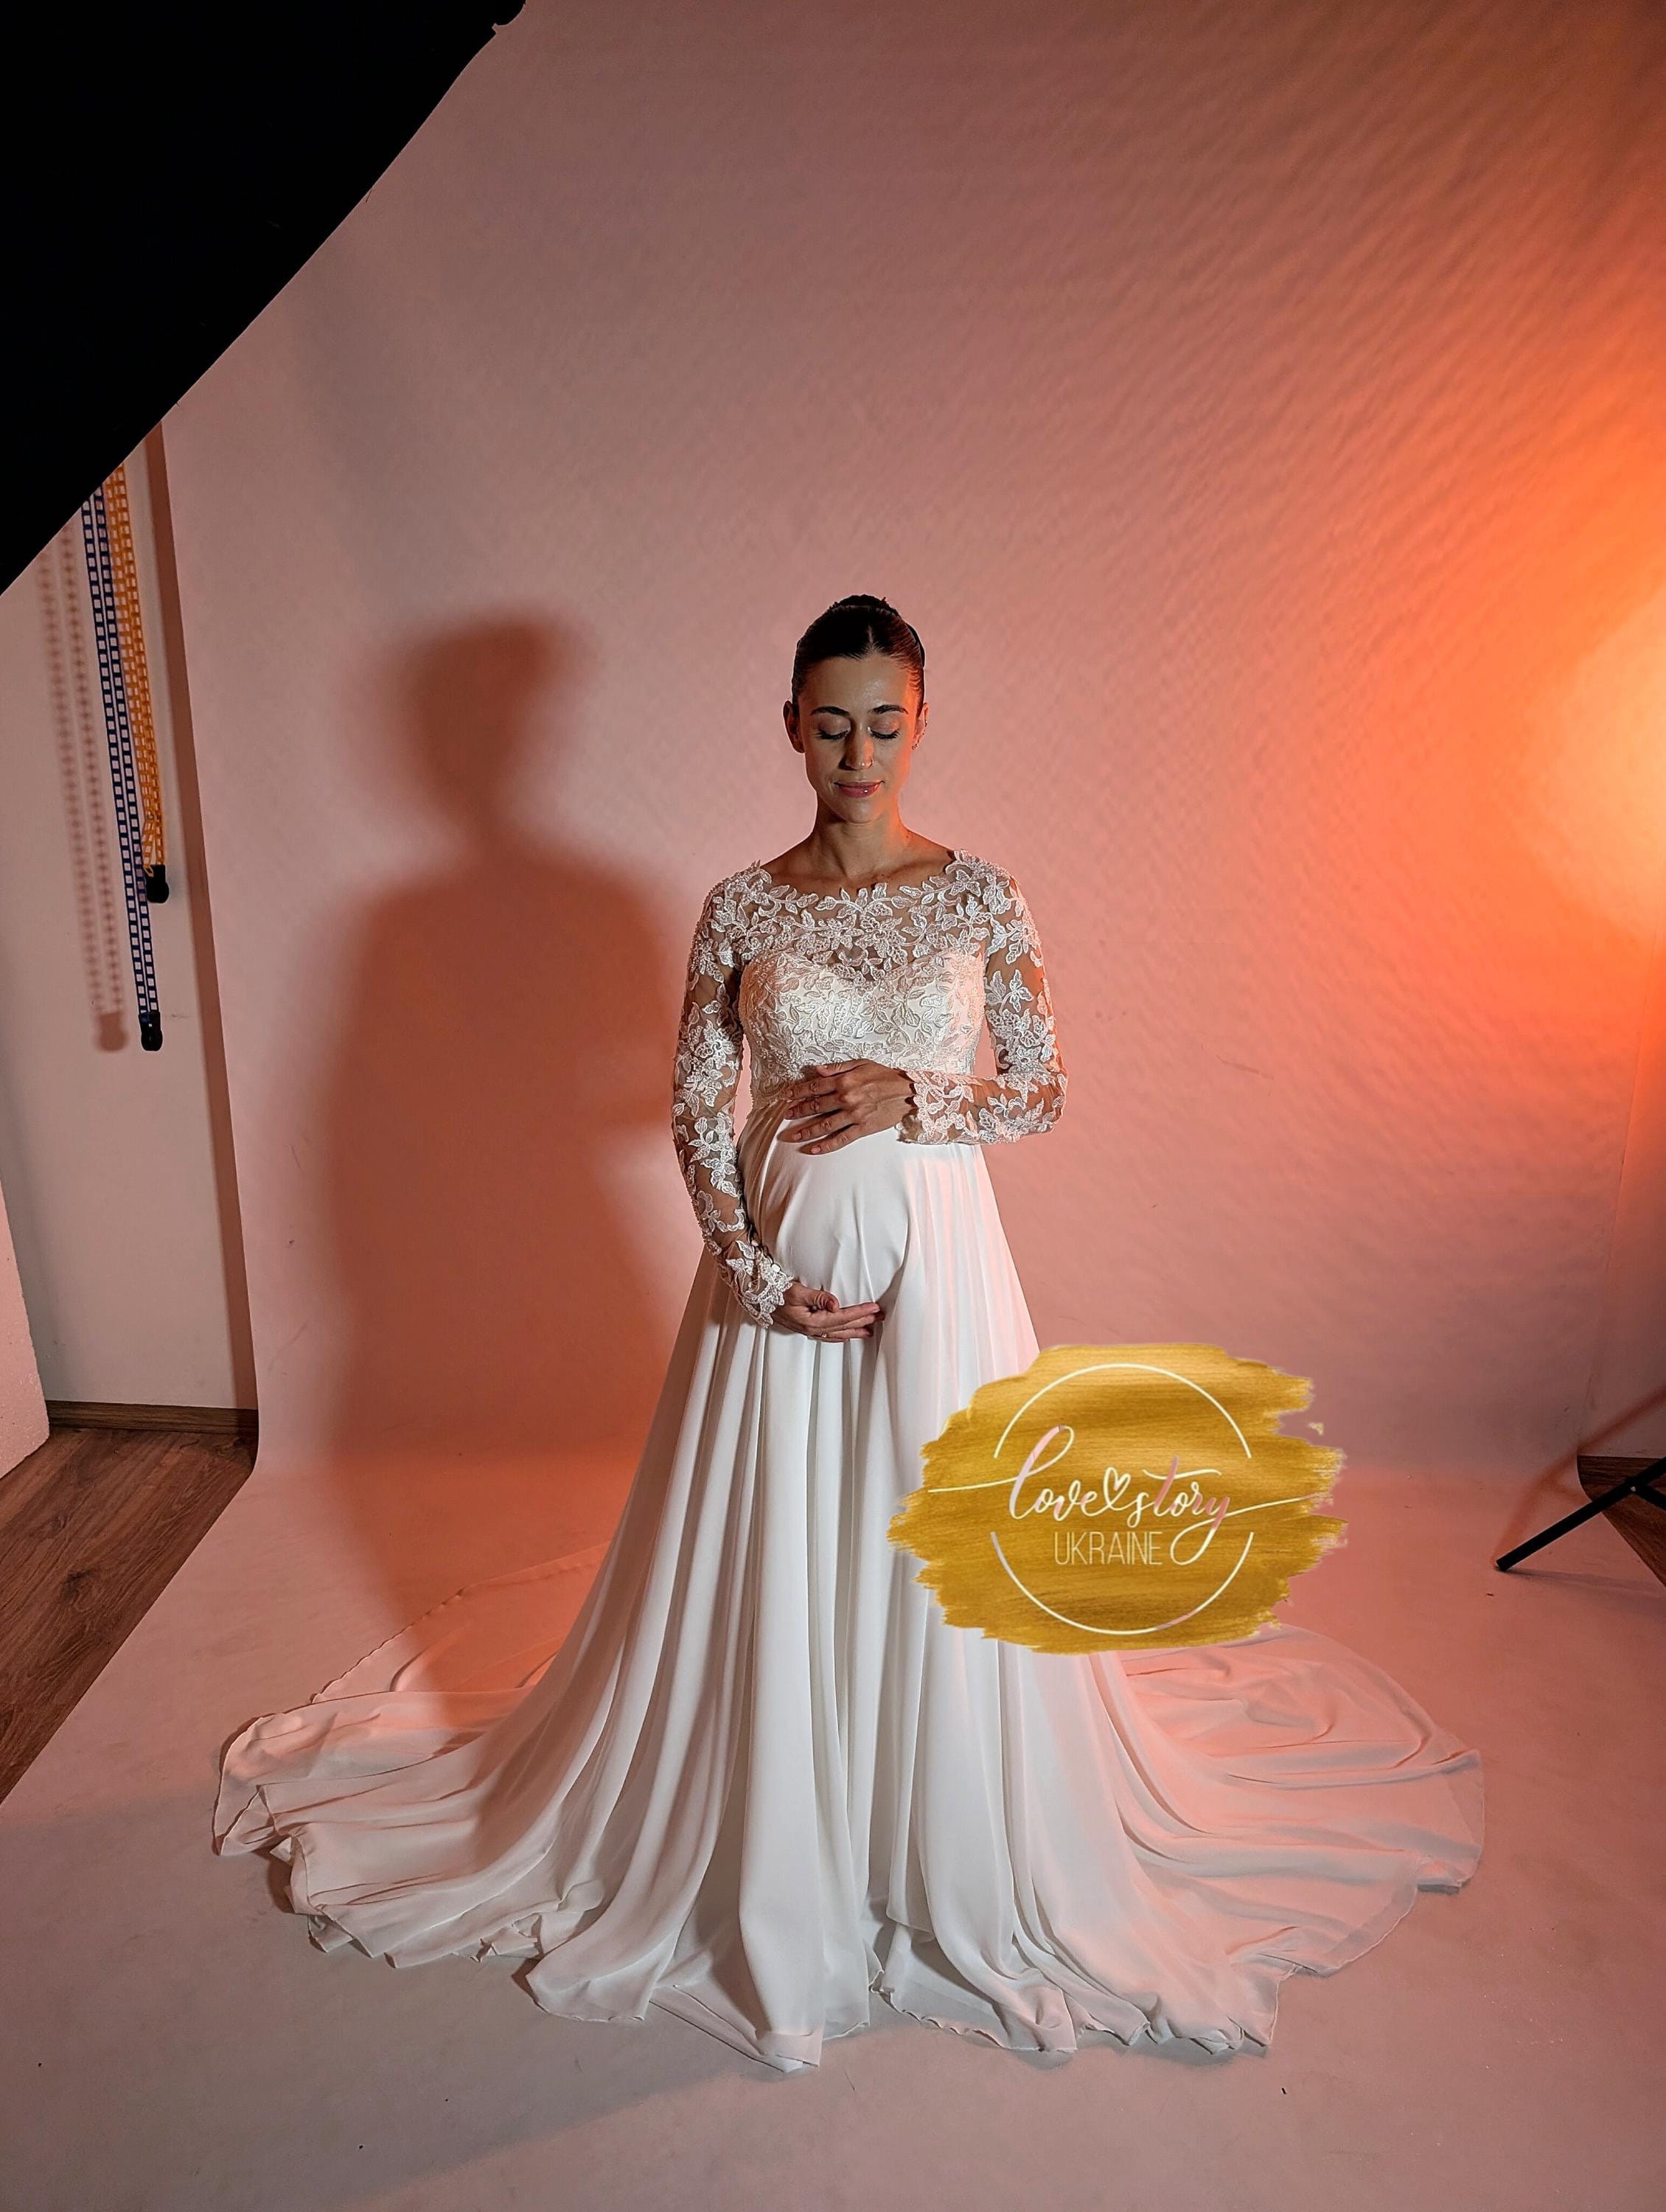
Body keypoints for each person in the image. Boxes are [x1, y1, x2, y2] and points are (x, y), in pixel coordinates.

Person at [215, 593, 1483, 2073]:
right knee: (785, 1546)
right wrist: (757, 1280)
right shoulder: (741, 906)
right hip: (774, 1291)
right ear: (790, 729)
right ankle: (779, 1830)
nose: (858, 754)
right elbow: (695, 1108)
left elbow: (1041, 1090)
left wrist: (911, 1094)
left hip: (945, 1277)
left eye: (884, 723)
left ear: (920, 723)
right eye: (830, 725)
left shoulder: (981, 895)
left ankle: (937, 1837)